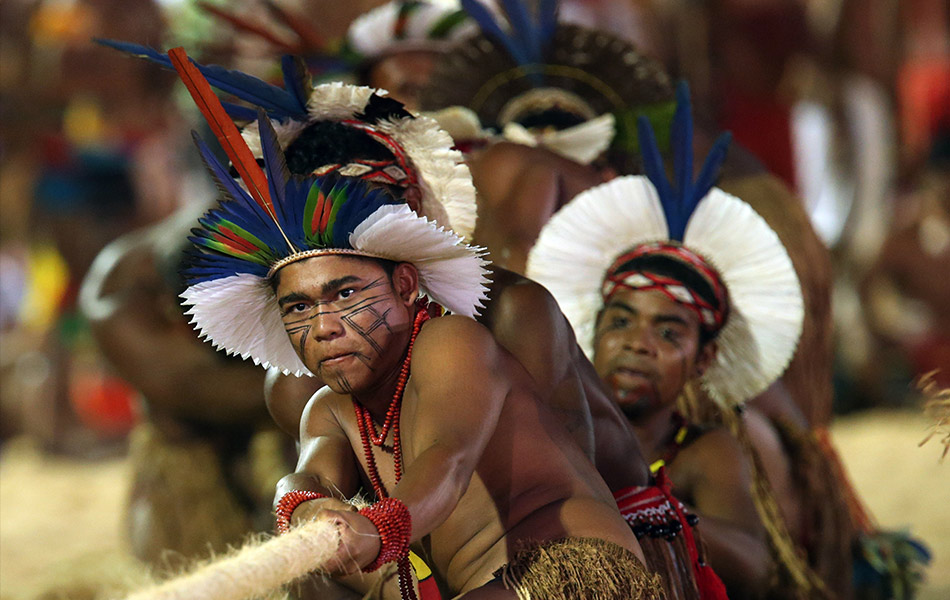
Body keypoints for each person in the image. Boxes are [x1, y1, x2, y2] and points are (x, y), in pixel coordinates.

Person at [175, 65, 661, 597]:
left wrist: (376, 532)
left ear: (404, 259)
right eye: (299, 307)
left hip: (575, 561)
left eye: (346, 292)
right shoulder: (316, 397)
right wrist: (302, 504)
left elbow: (451, 462)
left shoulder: (489, 322)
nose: (325, 327)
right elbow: (313, 477)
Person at [526, 83, 836, 600]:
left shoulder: (704, 452)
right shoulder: (561, 433)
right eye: (621, 322)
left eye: (668, 332)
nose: (638, 344)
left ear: (704, 358)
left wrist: (658, 509)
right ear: (593, 333)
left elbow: (755, 567)